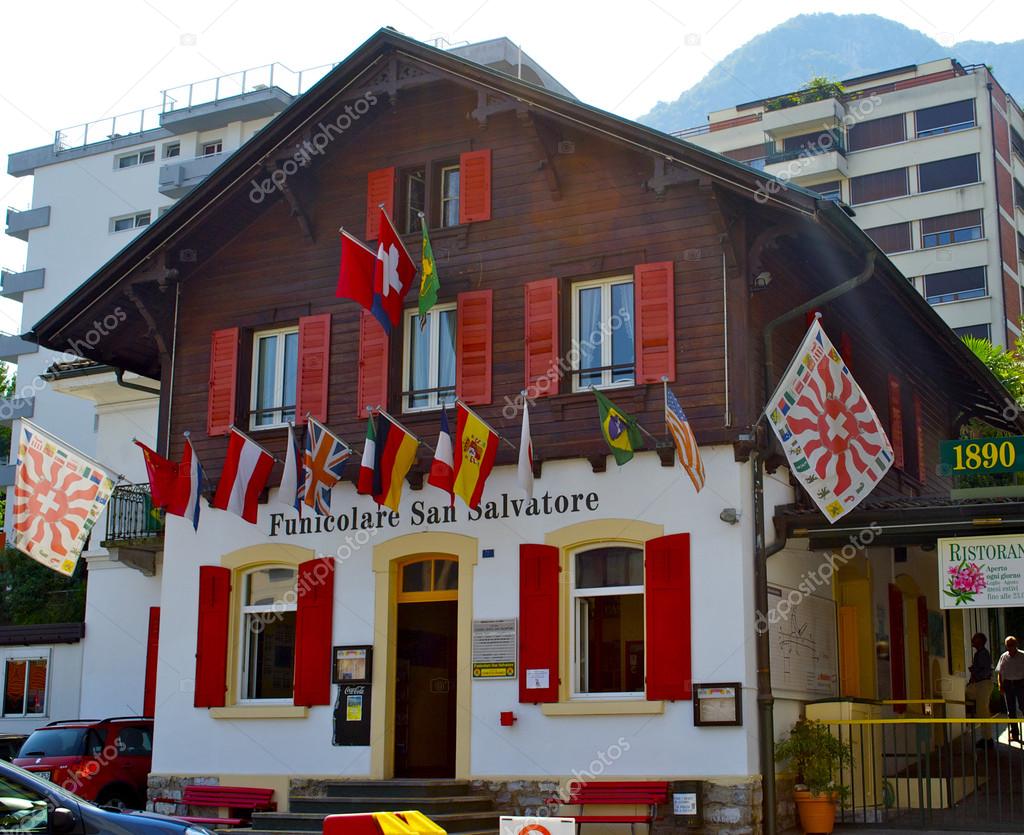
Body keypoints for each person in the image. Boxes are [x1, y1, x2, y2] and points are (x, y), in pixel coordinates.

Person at [966, 632, 994, 747]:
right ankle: (986, 738)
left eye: (975, 639)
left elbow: (986, 671)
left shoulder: (982, 654)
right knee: (982, 711)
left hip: (983, 683)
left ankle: (988, 739)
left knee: (983, 711)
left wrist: (975, 672)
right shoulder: (980, 653)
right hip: (982, 683)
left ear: (980, 641)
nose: (972, 640)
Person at [997, 635, 1024, 743]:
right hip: (1008, 684)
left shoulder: (1022, 655)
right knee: (1011, 710)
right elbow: (1000, 672)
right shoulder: (1003, 656)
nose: (1010, 647)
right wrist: (1000, 685)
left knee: (1023, 707)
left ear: (1016, 644)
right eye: (1008, 645)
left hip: (1020, 683)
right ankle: (1015, 734)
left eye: (1012, 645)